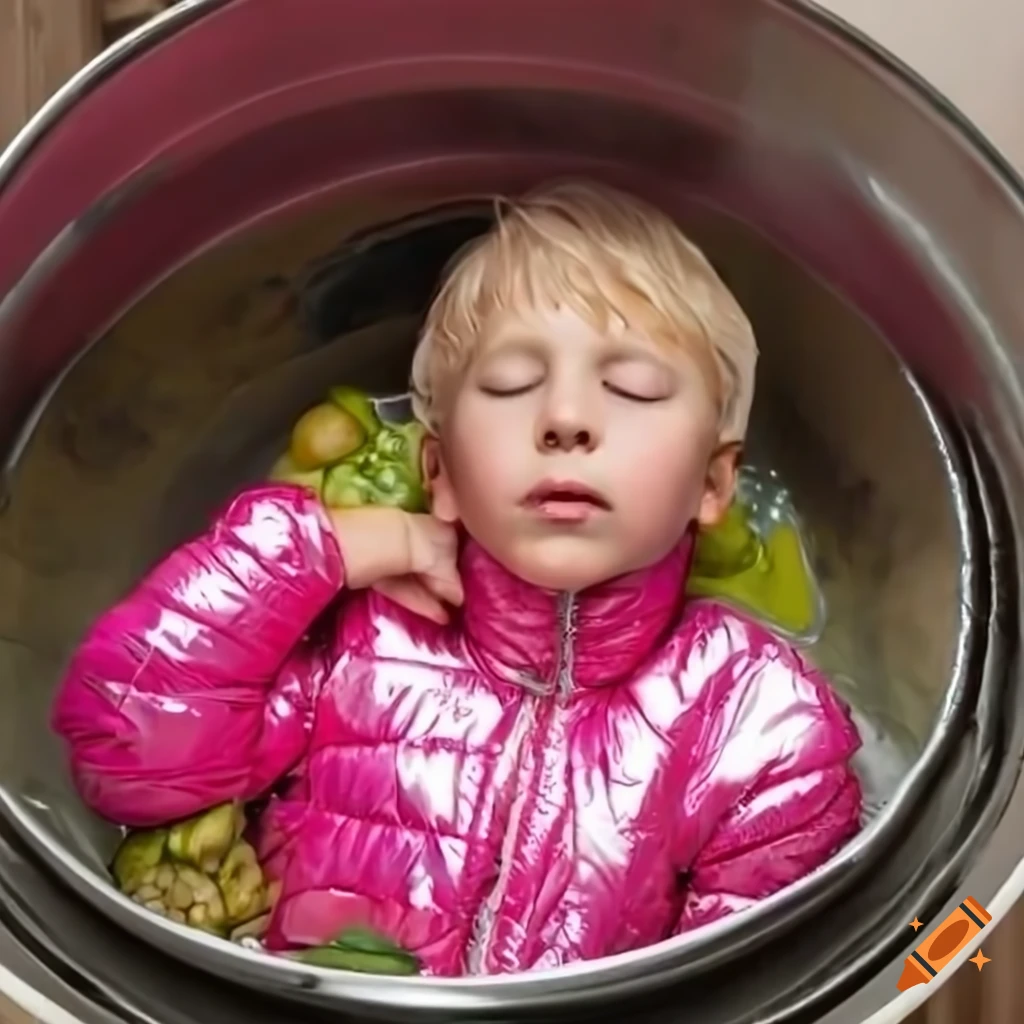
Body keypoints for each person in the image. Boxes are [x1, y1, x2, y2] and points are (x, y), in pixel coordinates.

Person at [51, 181, 862, 976]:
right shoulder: (358, 645)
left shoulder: (759, 720)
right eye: (513, 383)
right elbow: (127, 760)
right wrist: (332, 546)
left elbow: (749, 992)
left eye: (633, 387)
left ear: (712, 485)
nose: (566, 418)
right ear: (439, 470)